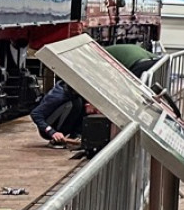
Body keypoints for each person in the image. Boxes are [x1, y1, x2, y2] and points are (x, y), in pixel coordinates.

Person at [29, 41, 157, 147]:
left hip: (67, 113)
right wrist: (51, 131)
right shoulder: (59, 94)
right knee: (73, 104)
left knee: (81, 105)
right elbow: (36, 114)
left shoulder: (77, 94)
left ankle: (75, 134)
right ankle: (59, 135)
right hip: (49, 128)